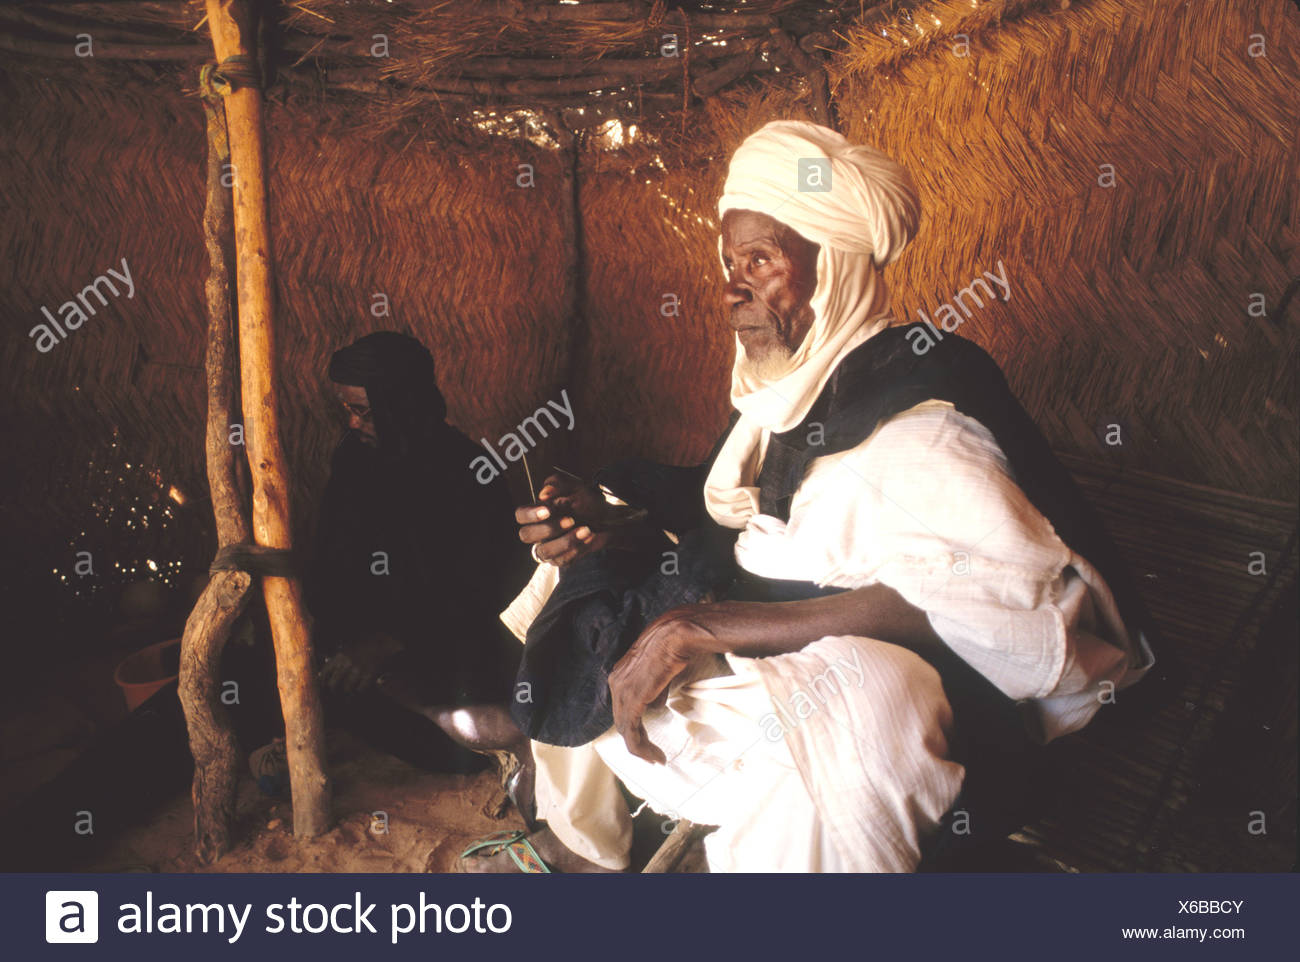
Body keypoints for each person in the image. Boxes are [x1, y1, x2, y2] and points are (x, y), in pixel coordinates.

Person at [463, 121, 1155, 873]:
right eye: (730, 262)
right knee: (577, 598)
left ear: (836, 267)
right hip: (765, 653)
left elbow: (984, 607)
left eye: (760, 260)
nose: (733, 287)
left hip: (925, 699)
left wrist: (708, 626)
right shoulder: (793, 397)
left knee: (867, 704)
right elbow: (740, 516)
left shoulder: (927, 420)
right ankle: (590, 839)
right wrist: (612, 520)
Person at [305, 330, 535, 815]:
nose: (351, 422)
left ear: (401, 402)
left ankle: (454, 724)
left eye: (363, 410)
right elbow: (335, 556)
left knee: (451, 742)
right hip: (365, 641)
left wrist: (389, 642)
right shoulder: (354, 457)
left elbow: (483, 594)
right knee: (299, 675)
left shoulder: (470, 472)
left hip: (446, 648)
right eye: (344, 408)